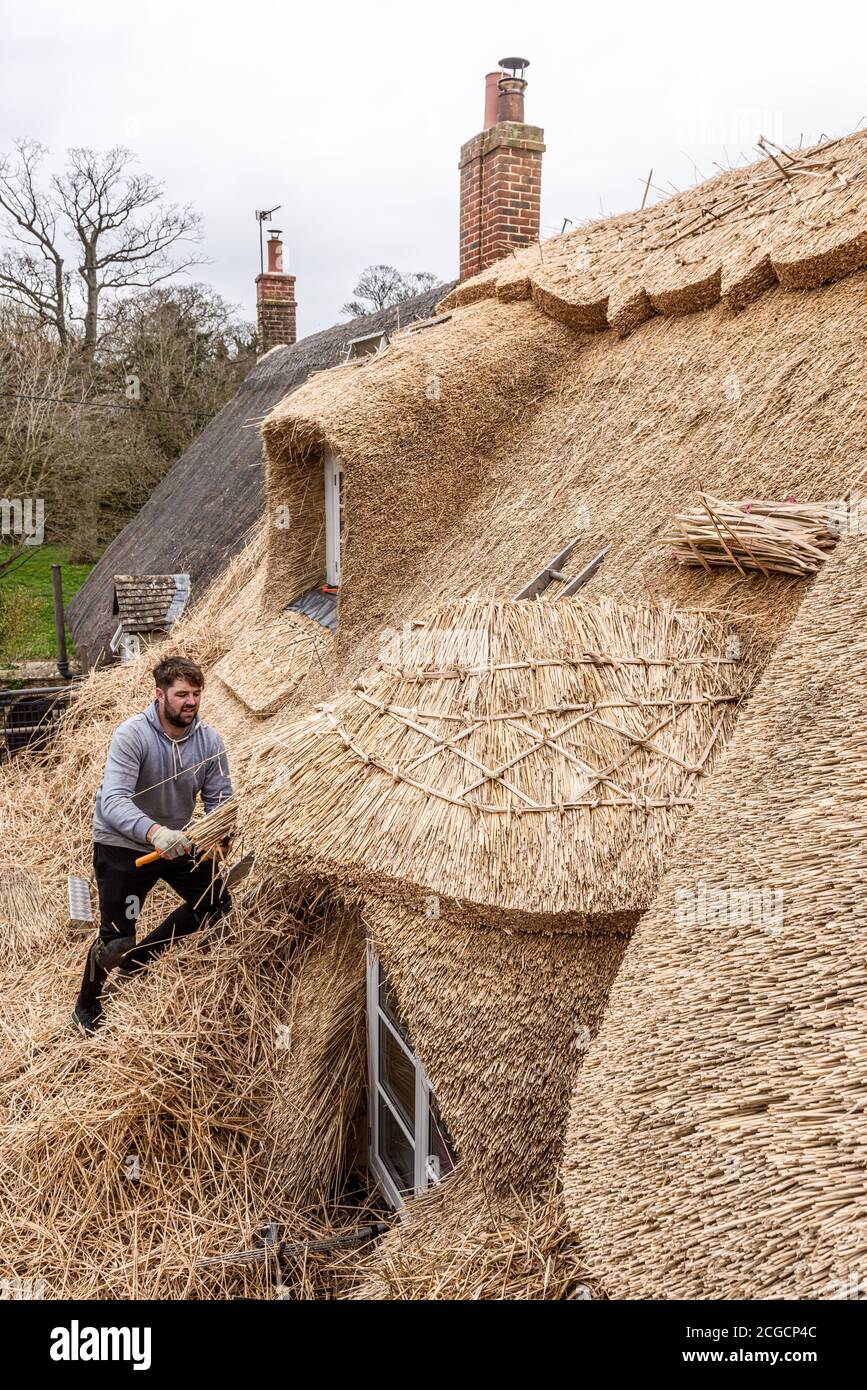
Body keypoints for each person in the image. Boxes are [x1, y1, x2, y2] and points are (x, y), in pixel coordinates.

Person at [72, 654, 233, 1037]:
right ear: (159, 695)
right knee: (115, 940)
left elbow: (221, 800)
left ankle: (140, 960)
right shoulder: (132, 736)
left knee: (215, 904)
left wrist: (220, 835)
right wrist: (154, 832)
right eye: (181, 694)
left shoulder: (209, 741)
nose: (191, 702)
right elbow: (113, 802)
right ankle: (87, 1002)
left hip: (177, 843)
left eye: (196, 694)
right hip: (125, 845)